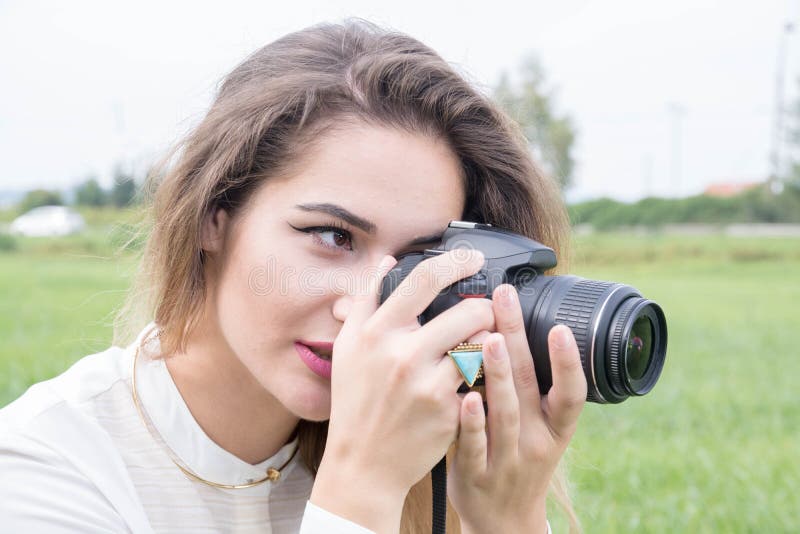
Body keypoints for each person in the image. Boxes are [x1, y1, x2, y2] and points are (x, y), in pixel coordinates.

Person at [0, 20, 586, 533]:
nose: (367, 307)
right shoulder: (46, 470)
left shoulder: (428, 465)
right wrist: (363, 484)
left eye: (419, 266)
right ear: (214, 218)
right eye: (333, 237)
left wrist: (506, 521)